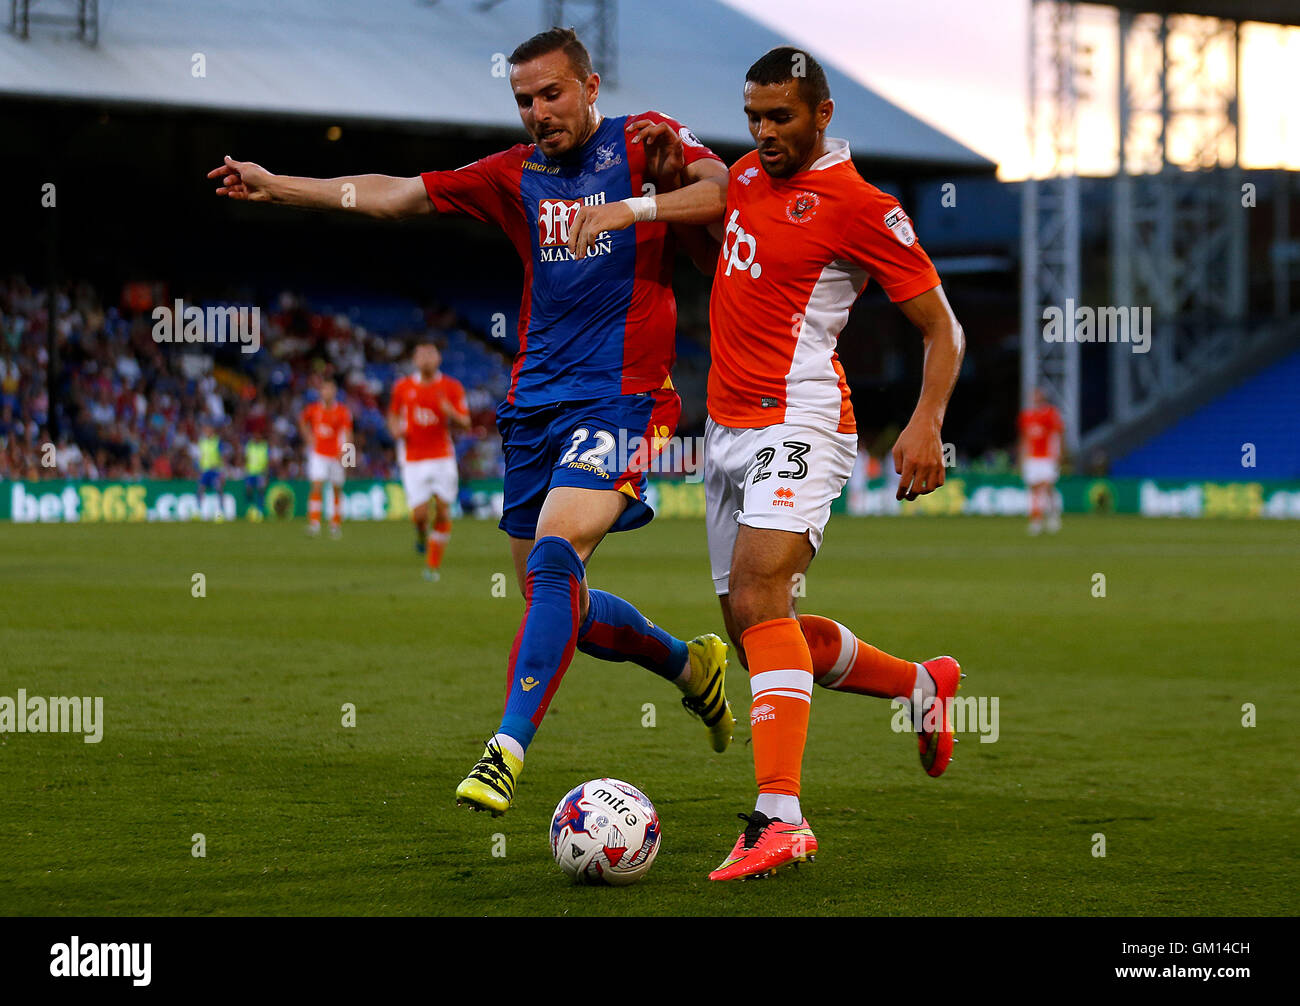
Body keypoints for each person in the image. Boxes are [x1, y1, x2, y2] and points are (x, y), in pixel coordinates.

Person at [207, 27, 736, 814]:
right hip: (534, 404)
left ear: (590, 88)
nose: (537, 112)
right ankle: (692, 668)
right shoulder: (511, 174)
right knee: (557, 597)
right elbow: (397, 195)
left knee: (556, 557)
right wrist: (278, 185)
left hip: (625, 399)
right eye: (524, 99)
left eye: (552, 94)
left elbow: (723, 190)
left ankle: (507, 748)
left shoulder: (642, 138)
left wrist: (635, 206)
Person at [570, 47, 968, 880]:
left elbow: (942, 327)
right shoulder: (749, 176)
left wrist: (926, 420)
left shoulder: (864, 207)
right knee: (758, 639)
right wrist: (674, 171)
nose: (764, 133)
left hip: (802, 419)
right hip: (725, 429)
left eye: (781, 117)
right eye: (754, 117)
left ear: (822, 114)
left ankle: (780, 818)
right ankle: (920, 685)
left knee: (758, 597)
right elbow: (726, 232)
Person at [389, 343, 470, 581]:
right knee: (421, 514)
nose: (425, 359)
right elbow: (393, 415)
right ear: (414, 360)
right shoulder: (402, 387)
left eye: (430, 354)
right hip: (412, 458)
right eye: (421, 355)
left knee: (444, 512)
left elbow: (466, 422)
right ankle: (421, 534)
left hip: (442, 457)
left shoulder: (451, 387)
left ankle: (432, 565)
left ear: (438, 359)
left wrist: (450, 412)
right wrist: (395, 430)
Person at [299, 380, 352, 538]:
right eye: (324, 390)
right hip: (318, 454)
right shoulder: (313, 409)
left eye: (329, 390)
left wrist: (347, 454)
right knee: (316, 485)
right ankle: (314, 523)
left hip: (336, 456)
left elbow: (348, 432)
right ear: (320, 392)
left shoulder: (342, 411)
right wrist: (308, 437)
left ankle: (335, 524)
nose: (326, 393)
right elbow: (302, 421)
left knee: (336, 488)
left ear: (334, 392)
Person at [1018, 387, 1064, 534]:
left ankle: (1053, 515)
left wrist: (1059, 454)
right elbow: (1024, 438)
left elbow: (1058, 435)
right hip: (1032, 458)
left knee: (1047, 487)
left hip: (1047, 457)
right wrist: (1022, 457)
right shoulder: (1026, 416)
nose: (1034, 399)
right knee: (1034, 489)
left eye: (1037, 396)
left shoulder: (1050, 414)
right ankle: (1036, 520)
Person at [195, 423, 224, 521]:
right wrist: (199, 469)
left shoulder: (217, 441)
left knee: (219, 489)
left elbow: (222, 456)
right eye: (205, 430)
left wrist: (222, 471)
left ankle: (220, 512)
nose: (206, 432)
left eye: (208, 430)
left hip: (215, 470)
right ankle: (199, 511)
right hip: (204, 470)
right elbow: (200, 457)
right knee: (200, 490)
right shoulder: (202, 442)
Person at [243, 431, 270, 520]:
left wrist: (266, 474)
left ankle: (260, 511)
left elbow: (267, 460)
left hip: (260, 473)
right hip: (250, 472)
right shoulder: (250, 446)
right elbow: (246, 458)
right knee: (249, 489)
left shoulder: (264, 446)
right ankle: (251, 508)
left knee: (260, 490)